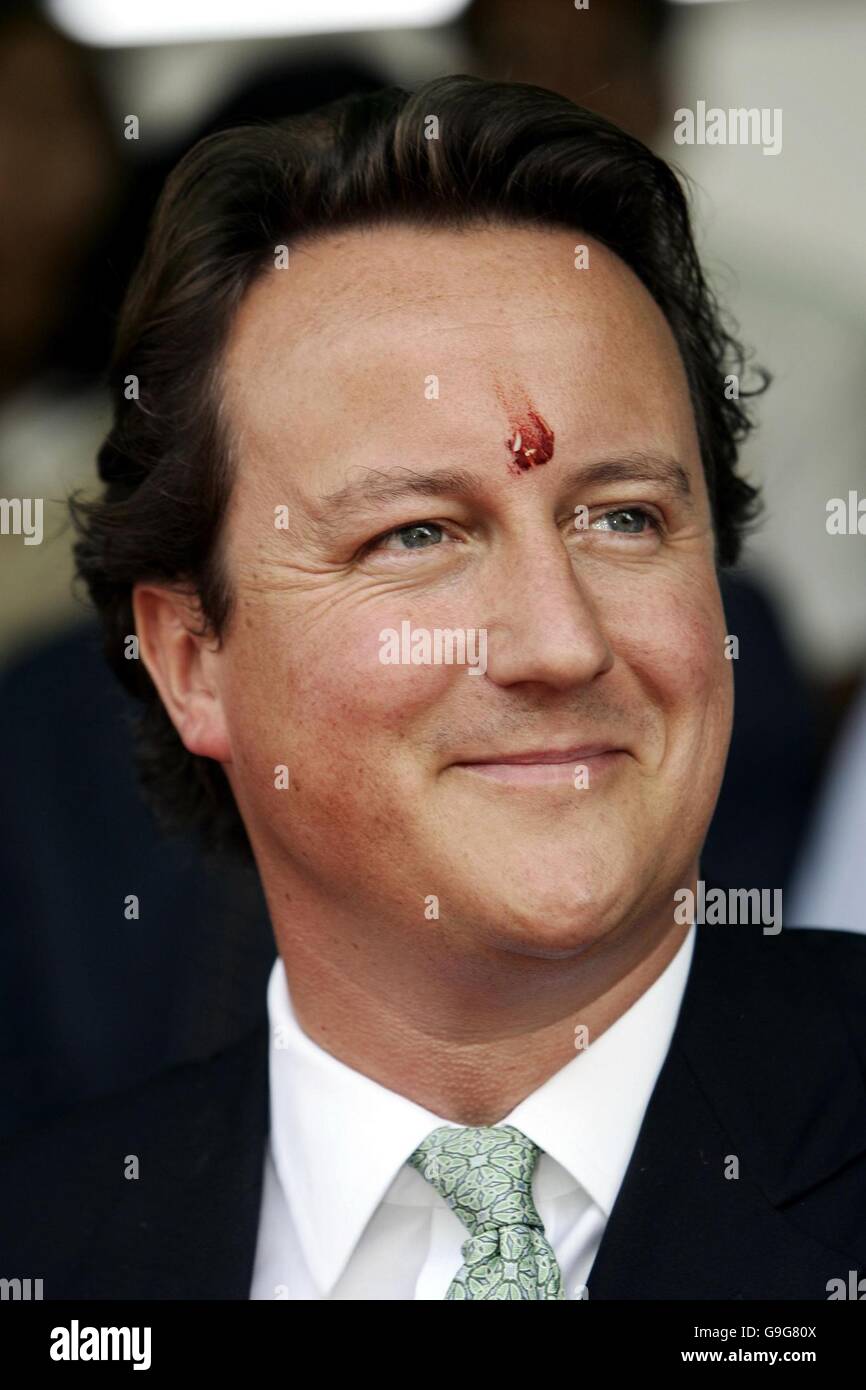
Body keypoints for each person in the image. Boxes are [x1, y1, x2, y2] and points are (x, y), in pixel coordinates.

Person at [2, 75, 864, 1301]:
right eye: (415, 535)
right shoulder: (42, 1255)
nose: (558, 642)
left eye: (621, 518)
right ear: (192, 659)